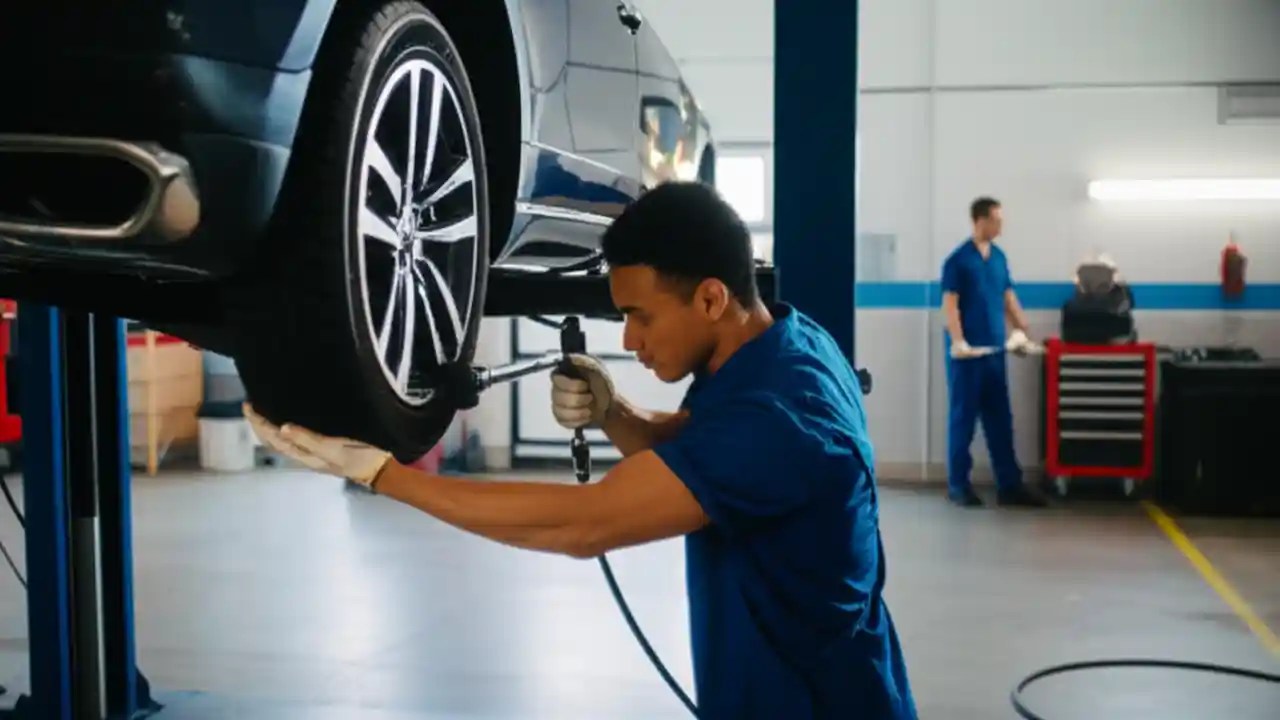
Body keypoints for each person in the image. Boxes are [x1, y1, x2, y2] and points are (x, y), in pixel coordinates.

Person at [244, 181, 917, 719]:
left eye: (640, 316)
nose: (628, 340)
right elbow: (703, 451)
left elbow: (583, 524)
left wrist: (384, 475)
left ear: (712, 298)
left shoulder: (779, 422)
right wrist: (612, 411)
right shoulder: (789, 348)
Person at [940, 197, 1046, 508]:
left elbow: (1008, 297)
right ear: (980, 220)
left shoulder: (998, 258)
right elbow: (950, 305)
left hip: (995, 354)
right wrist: (958, 341)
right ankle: (958, 486)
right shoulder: (958, 260)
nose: (1001, 225)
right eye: (996, 220)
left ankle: (1009, 486)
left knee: (1000, 420)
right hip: (968, 357)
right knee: (963, 420)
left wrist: (1023, 332)